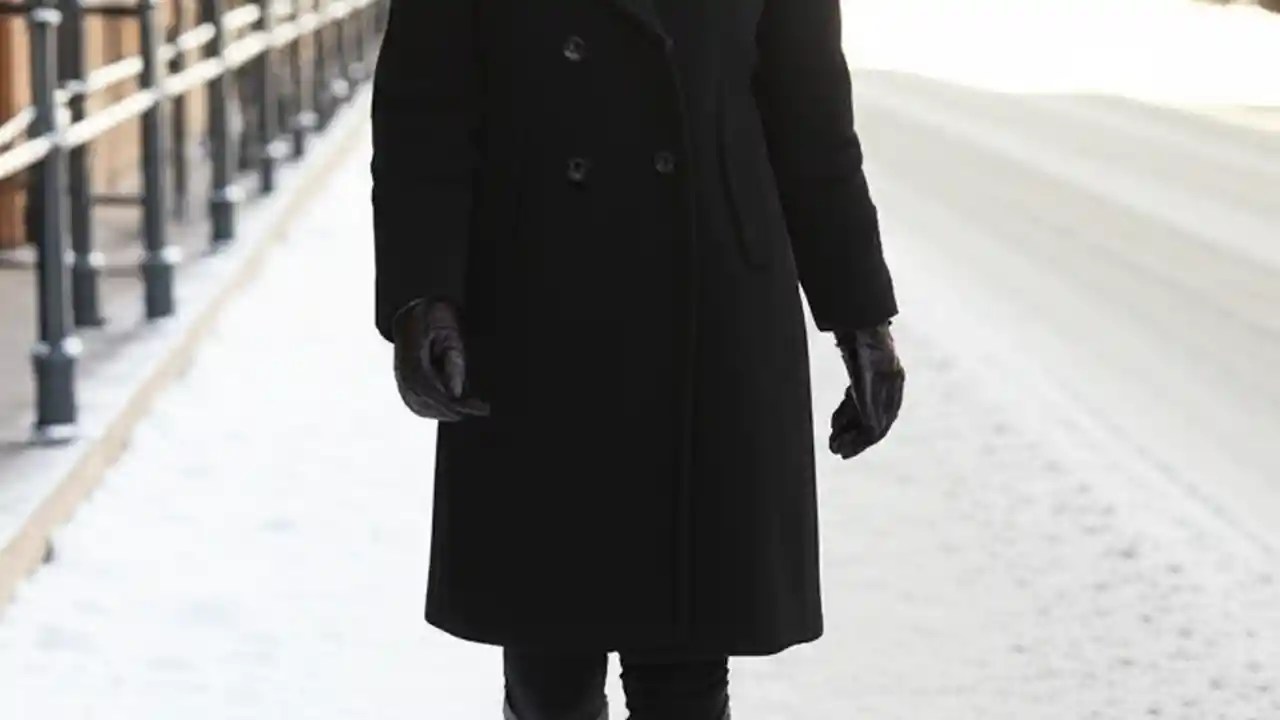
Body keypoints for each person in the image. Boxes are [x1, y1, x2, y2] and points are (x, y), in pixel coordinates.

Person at [369, 0, 905, 717]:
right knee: (546, 670)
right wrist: (423, 294)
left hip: (709, 307)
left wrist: (860, 315)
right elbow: (423, 105)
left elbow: (810, 117)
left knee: (686, 669)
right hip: (536, 306)